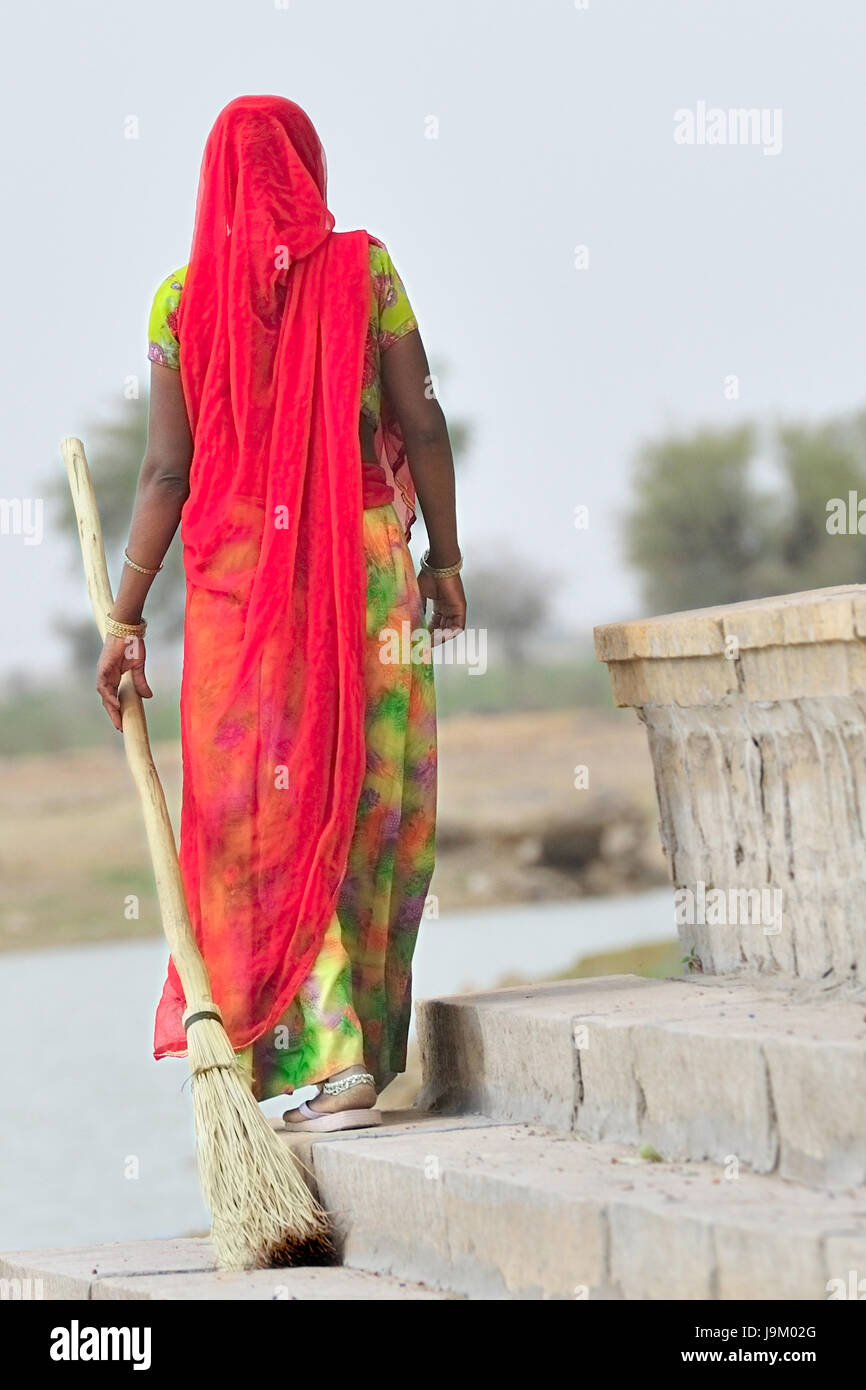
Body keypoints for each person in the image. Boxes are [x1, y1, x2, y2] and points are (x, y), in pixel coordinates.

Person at [95, 94, 465, 1132]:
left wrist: (124, 616)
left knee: (259, 818)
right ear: (309, 167)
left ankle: (325, 1056)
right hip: (366, 560)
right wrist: (445, 555)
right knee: (363, 797)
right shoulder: (367, 271)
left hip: (240, 589)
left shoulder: (180, 301)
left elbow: (168, 471)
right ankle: (356, 1062)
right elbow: (421, 421)